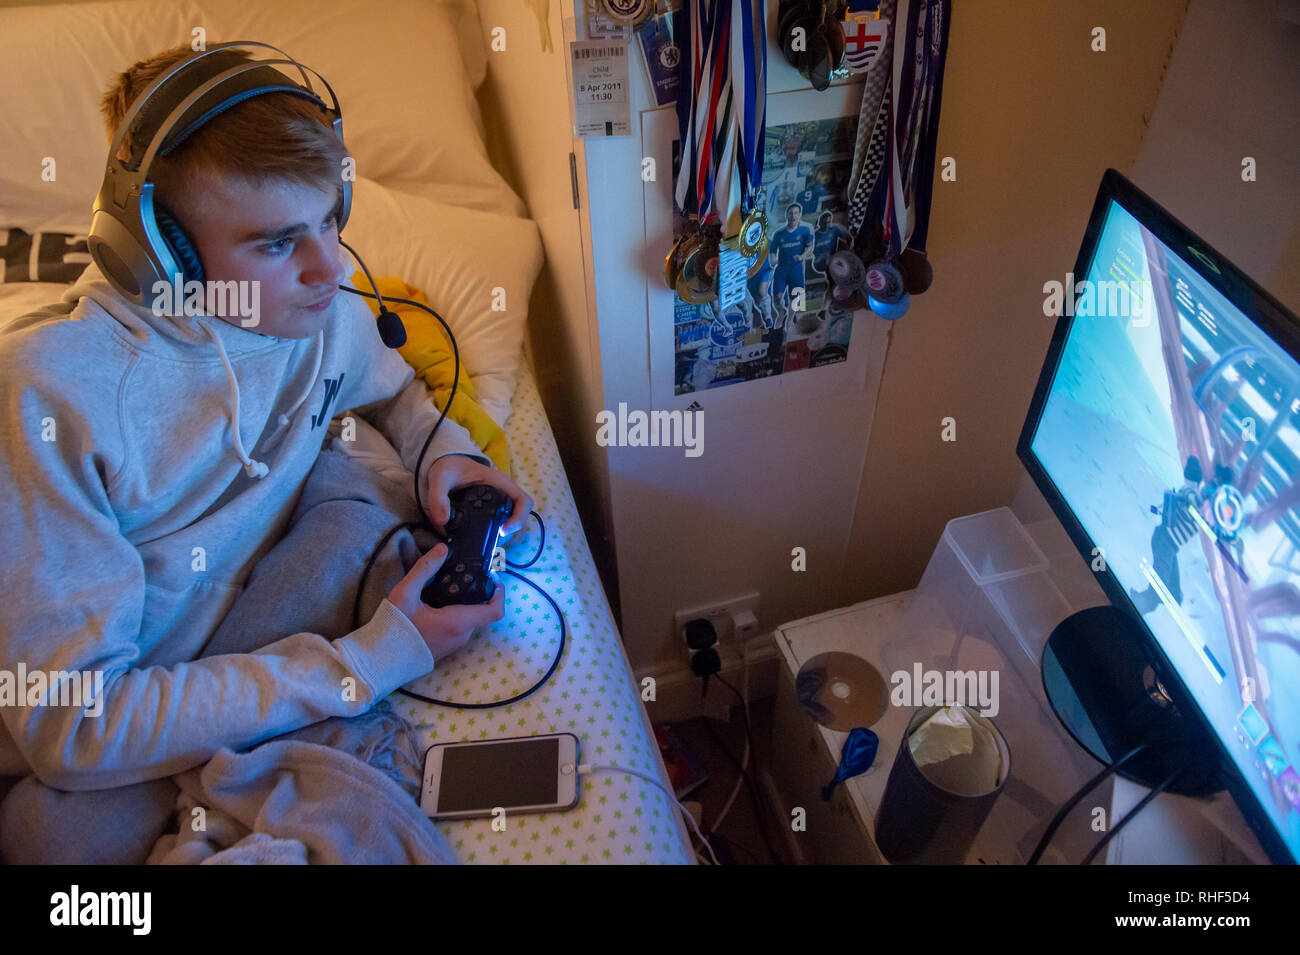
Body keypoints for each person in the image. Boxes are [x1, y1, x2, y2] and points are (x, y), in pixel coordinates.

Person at [0, 44, 532, 859]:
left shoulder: (311, 309)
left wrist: (440, 452)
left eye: (330, 218)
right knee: (54, 840)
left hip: (237, 636)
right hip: (114, 701)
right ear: (164, 252)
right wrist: (367, 660)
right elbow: (73, 728)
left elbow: (391, 389)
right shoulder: (53, 398)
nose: (329, 269)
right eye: (279, 243)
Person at [770, 204, 813, 327]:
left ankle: (790, 318)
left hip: (797, 269)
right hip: (782, 269)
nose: (793, 215)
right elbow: (772, 251)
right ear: (787, 215)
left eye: (795, 213)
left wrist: (802, 256)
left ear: (799, 215)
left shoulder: (805, 230)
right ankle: (781, 312)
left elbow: (809, 247)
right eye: (790, 213)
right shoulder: (778, 234)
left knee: (796, 296)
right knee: (777, 297)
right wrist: (773, 260)